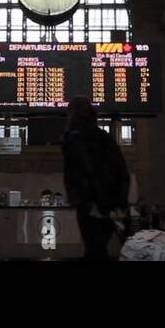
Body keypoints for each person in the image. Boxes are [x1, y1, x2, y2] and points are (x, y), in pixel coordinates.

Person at [62, 96, 130, 260]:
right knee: (99, 249)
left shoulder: (72, 139)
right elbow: (122, 171)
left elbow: (75, 175)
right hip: (110, 205)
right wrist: (119, 202)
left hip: (90, 204)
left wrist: (83, 201)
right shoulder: (106, 138)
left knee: (93, 249)